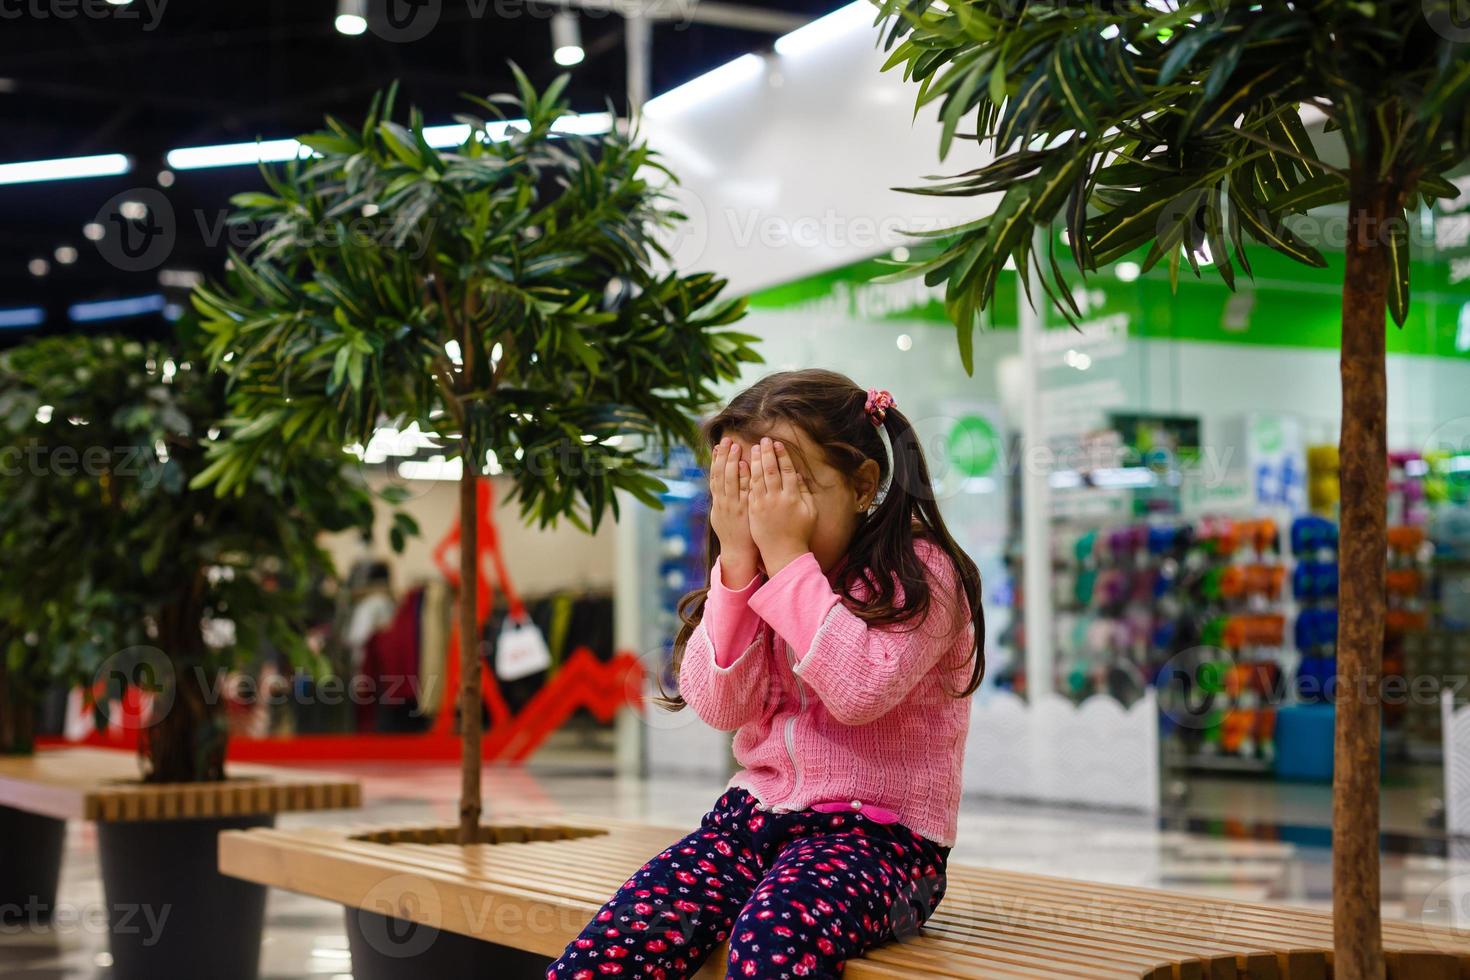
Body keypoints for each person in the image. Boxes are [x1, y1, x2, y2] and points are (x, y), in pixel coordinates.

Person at [548, 369, 985, 980]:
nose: (769, 512)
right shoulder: (758, 577)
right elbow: (720, 705)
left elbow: (860, 689)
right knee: (616, 944)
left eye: (791, 487)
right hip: (750, 823)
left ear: (863, 485)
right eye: (750, 490)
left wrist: (787, 560)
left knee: (766, 947)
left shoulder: (921, 572)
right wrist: (736, 571)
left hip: (882, 846)